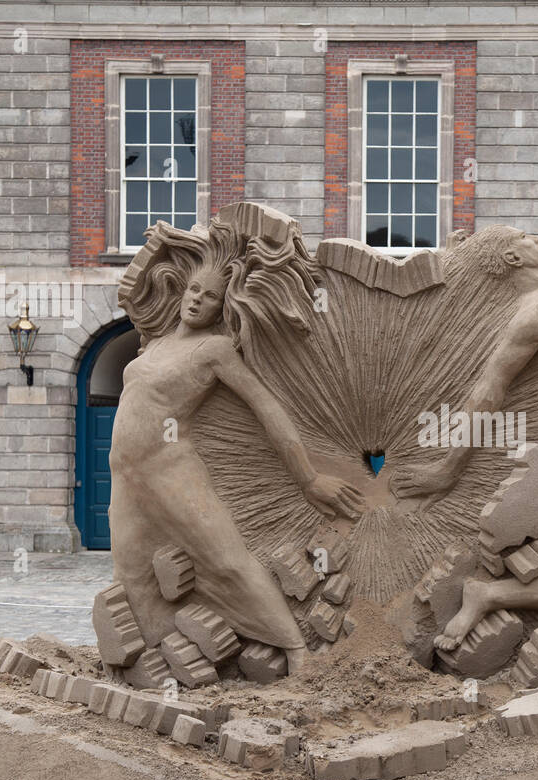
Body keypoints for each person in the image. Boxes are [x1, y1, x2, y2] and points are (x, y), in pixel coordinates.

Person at [111, 218, 363, 672]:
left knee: (227, 560)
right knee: (133, 573)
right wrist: (160, 241)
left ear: (220, 307)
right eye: (192, 291)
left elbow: (268, 409)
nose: (196, 300)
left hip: (169, 469)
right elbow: (133, 291)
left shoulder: (215, 351)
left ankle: (297, 651)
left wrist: (308, 479)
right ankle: (160, 663)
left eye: (208, 297)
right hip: (125, 476)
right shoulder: (157, 343)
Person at [391, 226, 538, 649]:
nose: (534, 237)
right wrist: (447, 469)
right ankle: (489, 595)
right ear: (513, 259)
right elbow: (489, 388)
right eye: (522, 237)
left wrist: (457, 257)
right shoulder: (535, 314)